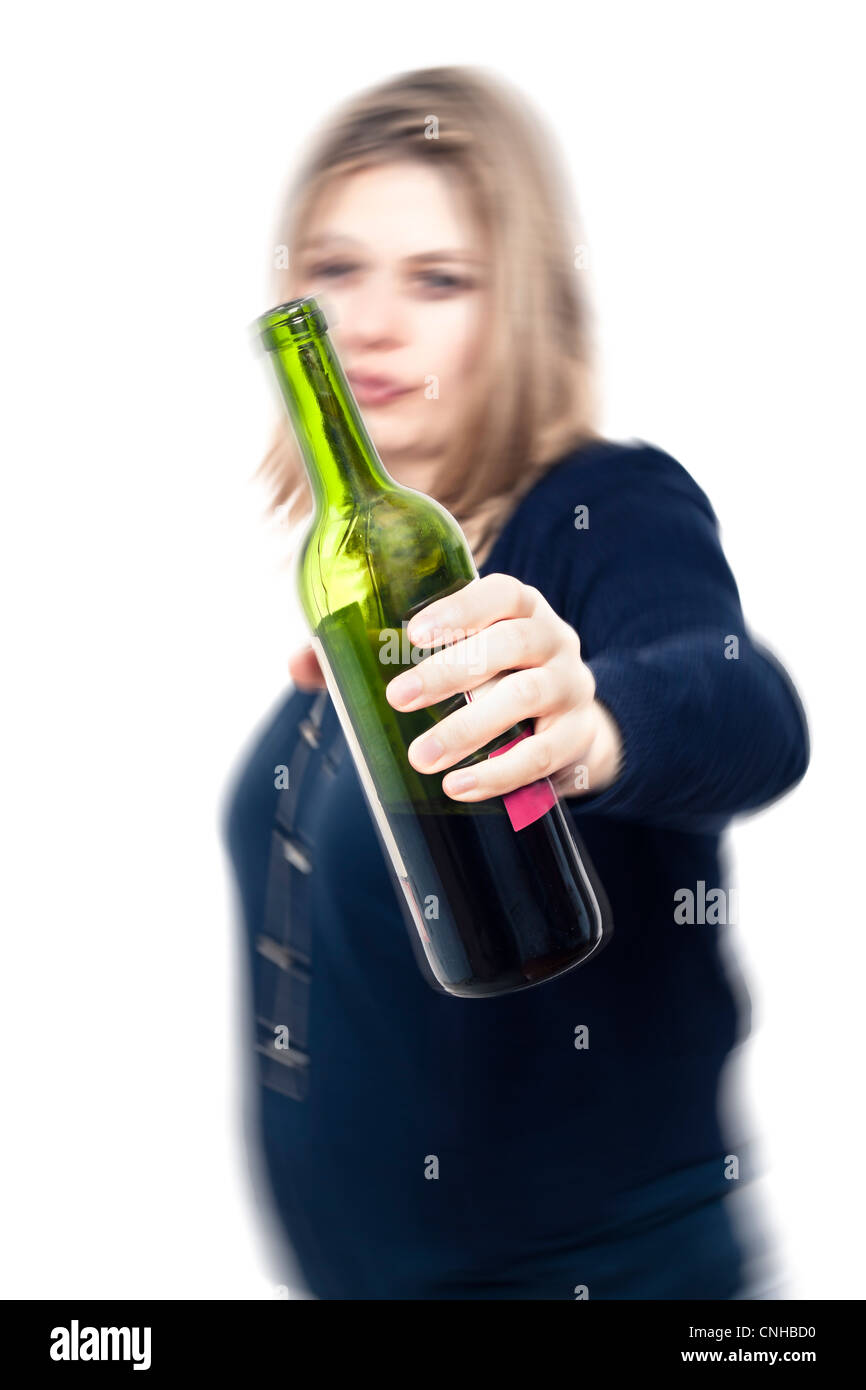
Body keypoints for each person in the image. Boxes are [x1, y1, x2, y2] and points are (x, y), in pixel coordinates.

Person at [223, 65, 809, 1300]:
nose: (372, 322)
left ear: (524, 310)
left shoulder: (601, 512)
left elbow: (740, 706)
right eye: (337, 271)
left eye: (438, 279)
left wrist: (588, 721)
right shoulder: (365, 597)